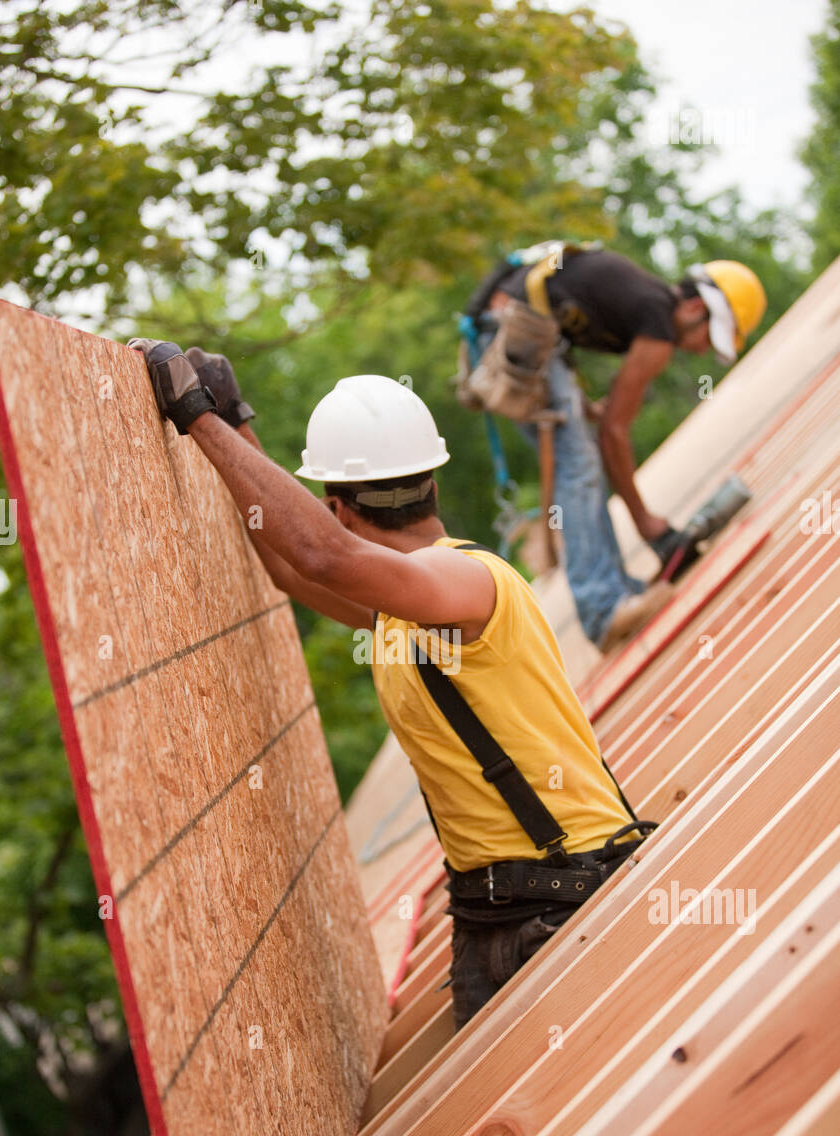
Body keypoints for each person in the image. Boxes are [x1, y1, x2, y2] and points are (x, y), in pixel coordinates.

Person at [128, 346, 657, 1028]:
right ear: (431, 481)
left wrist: (198, 418)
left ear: (339, 509)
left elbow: (324, 555)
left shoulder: (471, 582)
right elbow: (298, 570)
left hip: (570, 897)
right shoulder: (406, 612)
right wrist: (232, 422)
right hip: (489, 914)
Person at [462, 247, 768, 651]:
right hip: (513, 329)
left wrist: (584, 408)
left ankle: (619, 591)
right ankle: (604, 610)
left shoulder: (645, 302)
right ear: (695, 307)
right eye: (707, 337)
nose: (700, 351)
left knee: (581, 460)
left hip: (510, 327)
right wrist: (647, 524)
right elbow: (614, 433)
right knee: (580, 465)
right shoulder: (656, 321)